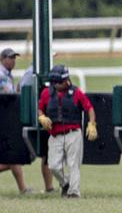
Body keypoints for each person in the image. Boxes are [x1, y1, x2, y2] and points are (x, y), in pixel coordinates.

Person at [36, 65, 97, 197]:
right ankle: (65, 184)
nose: (57, 85)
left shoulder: (76, 92)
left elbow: (89, 108)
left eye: (59, 82)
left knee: (73, 164)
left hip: (73, 133)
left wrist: (91, 124)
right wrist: (41, 116)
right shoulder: (47, 93)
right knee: (53, 166)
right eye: (55, 82)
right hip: (55, 135)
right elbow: (40, 107)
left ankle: (74, 193)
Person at [0, 48, 32, 194]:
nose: (13, 61)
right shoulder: (1, 75)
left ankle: (23, 188)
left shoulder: (7, 75)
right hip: (5, 120)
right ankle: (23, 189)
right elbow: (9, 95)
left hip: (7, 119)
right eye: (10, 58)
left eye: (14, 58)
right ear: (2, 59)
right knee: (13, 155)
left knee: (12, 155)